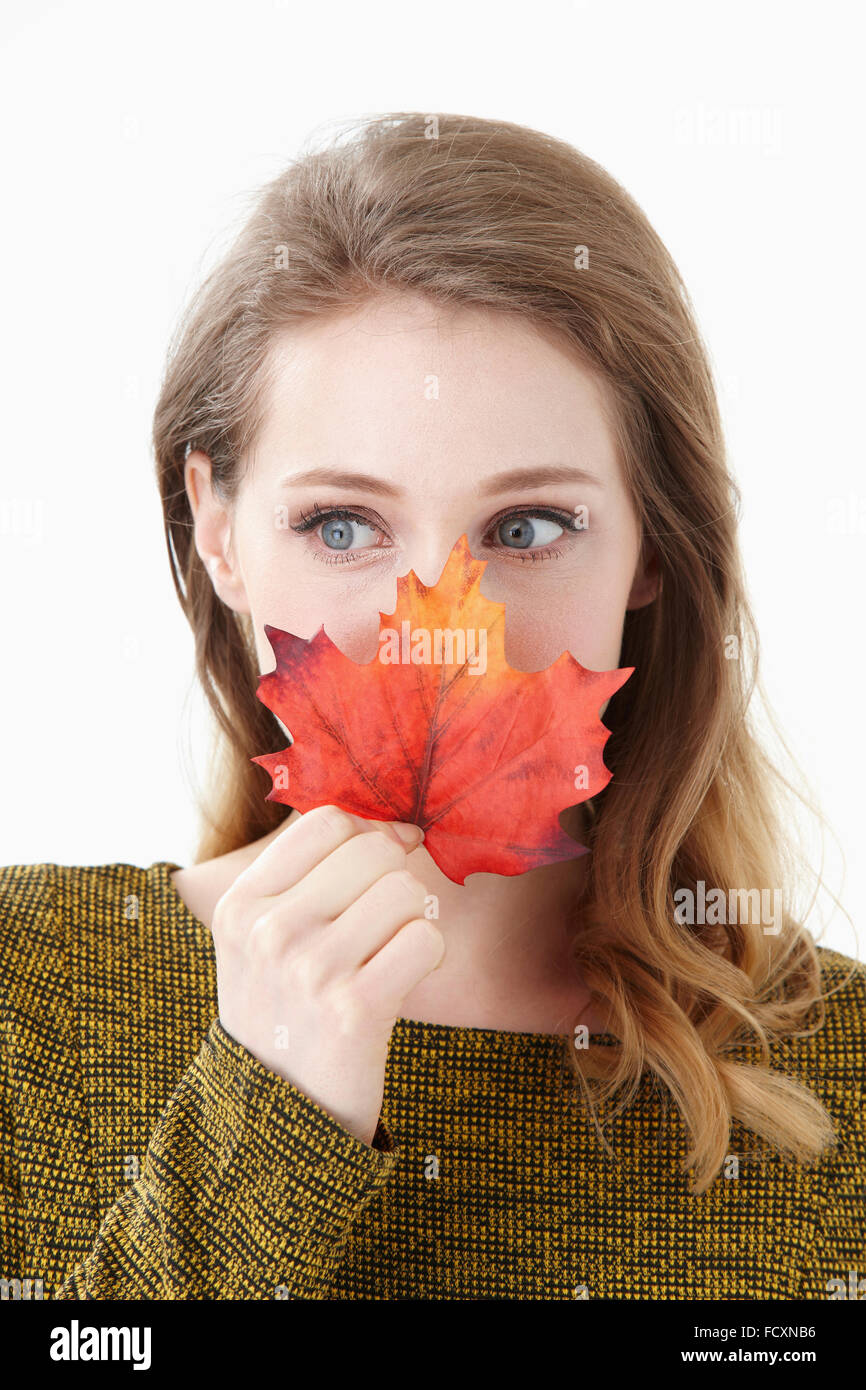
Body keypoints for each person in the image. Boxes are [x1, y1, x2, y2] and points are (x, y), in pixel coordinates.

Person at [1, 111, 863, 1302]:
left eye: (527, 528)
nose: (441, 624)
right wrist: (270, 1106)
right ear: (217, 532)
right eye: (341, 526)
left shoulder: (842, 1082)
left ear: (652, 549)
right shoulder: (23, 985)